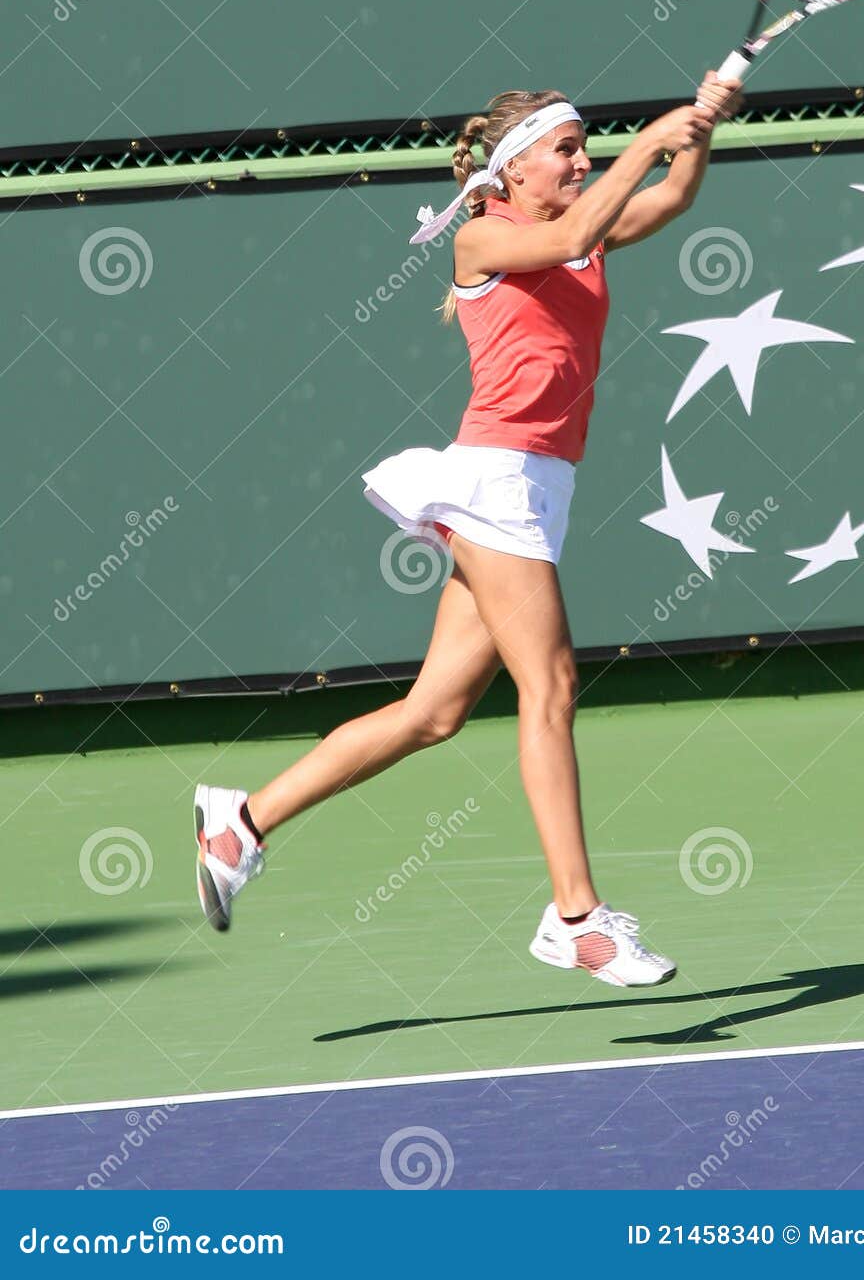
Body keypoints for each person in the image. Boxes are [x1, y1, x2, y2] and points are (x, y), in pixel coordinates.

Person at [194, 69, 739, 987]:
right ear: (515, 169)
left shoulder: (586, 235)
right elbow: (574, 227)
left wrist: (702, 127)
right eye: (567, 150)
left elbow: (671, 196)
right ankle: (576, 918)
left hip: (539, 487)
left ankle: (239, 824)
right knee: (552, 684)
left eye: (585, 149)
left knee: (433, 713)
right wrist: (650, 138)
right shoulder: (488, 236)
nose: (583, 160)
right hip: (497, 482)